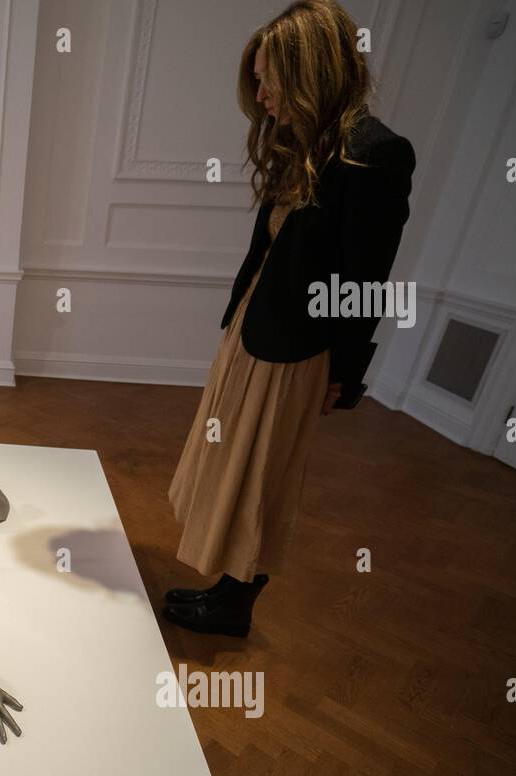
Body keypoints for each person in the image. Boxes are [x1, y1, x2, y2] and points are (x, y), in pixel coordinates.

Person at [164, 0, 415, 638]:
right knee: (233, 461)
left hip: (296, 344)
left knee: (262, 470)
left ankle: (235, 602)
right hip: (257, 325)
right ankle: (225, 586)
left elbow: (365, 279)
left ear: (313, 71)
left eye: (269, 77)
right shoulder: (306, 142)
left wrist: (348, 373)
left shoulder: (374, 154)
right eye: (256, 77)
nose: (260, 93)